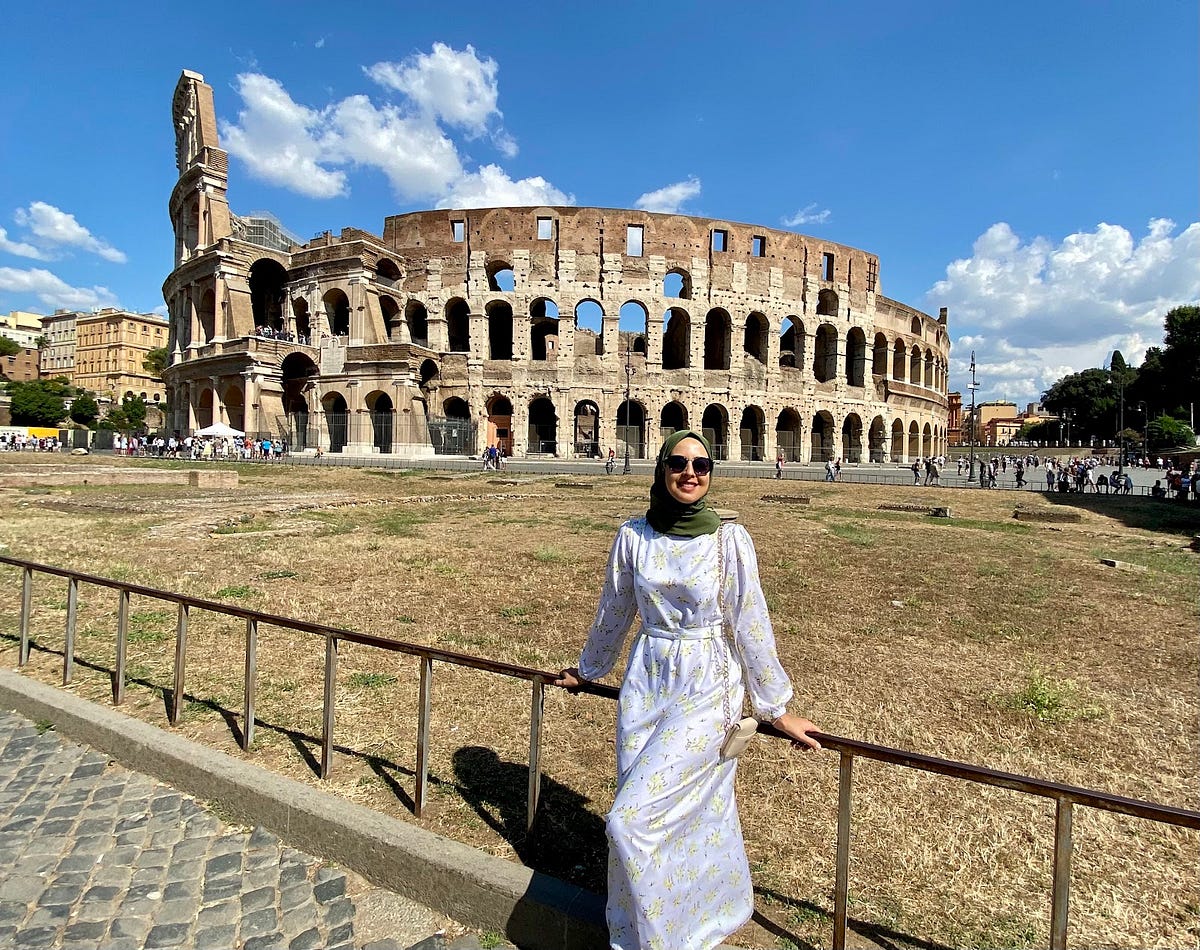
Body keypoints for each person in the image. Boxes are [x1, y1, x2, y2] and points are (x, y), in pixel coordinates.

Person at [555, 430, 821, 950]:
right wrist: (588, 671)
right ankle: (683, 921)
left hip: (708, 683)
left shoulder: (729, 539)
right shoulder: (633, 536)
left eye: (702, 463)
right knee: (679, 810)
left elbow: (750, 622)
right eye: (678, 462)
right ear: (661, 468)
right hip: (648, 682)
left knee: (632, 822)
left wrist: (775, 708)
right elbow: (615, 612)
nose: (690, 472)